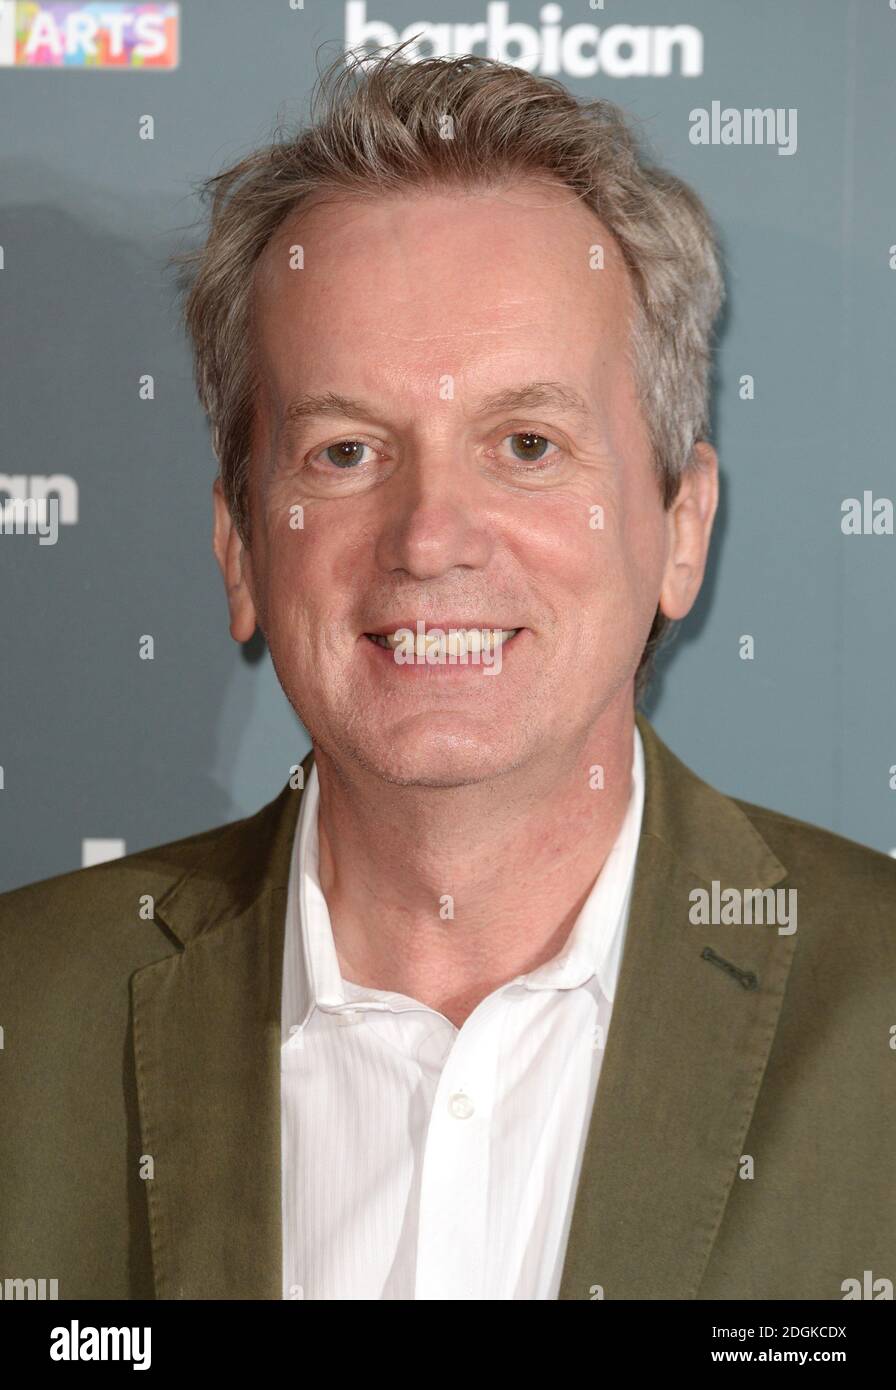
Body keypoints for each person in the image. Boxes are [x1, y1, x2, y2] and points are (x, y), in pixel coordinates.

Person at [1, 46, 893, 1302]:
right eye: (346, 450)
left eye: (525, 444)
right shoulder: (25, 1022)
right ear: (240, 549)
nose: (429, 538)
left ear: (678, 529)